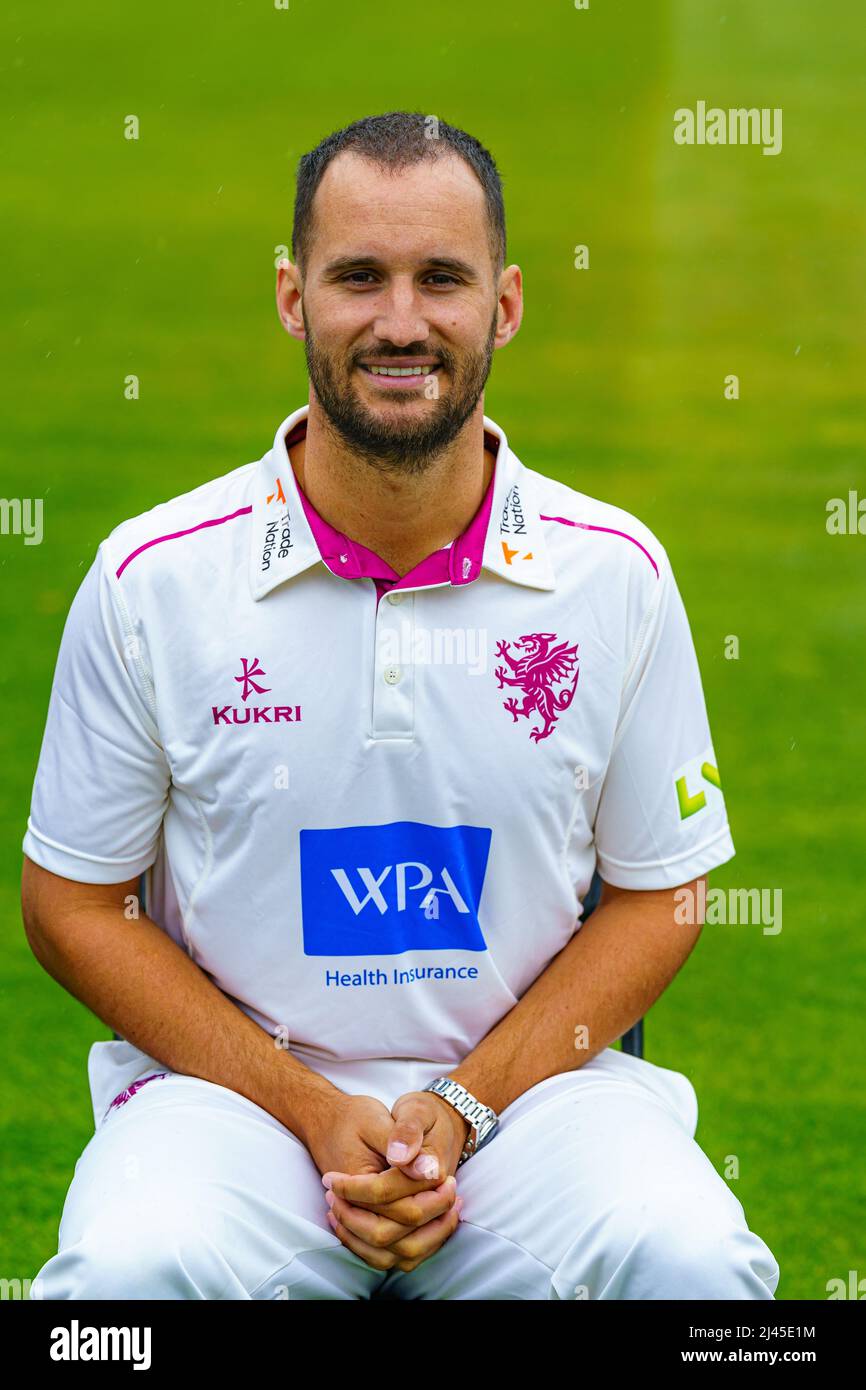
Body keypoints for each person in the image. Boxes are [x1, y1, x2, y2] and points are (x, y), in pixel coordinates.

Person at [21, 111, 779, 1300]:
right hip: (232, 1111)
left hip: (532, 1107)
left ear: (506, 304)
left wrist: (462, 1103)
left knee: (691, 1261)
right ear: (290, 295)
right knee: (119, 1281)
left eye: (442, 279)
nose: (399, 322)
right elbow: (71, 901)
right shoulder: (151, 578)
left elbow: (660, 889)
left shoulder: (613, 572)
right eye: (356, 278)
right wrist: (318, 1112)